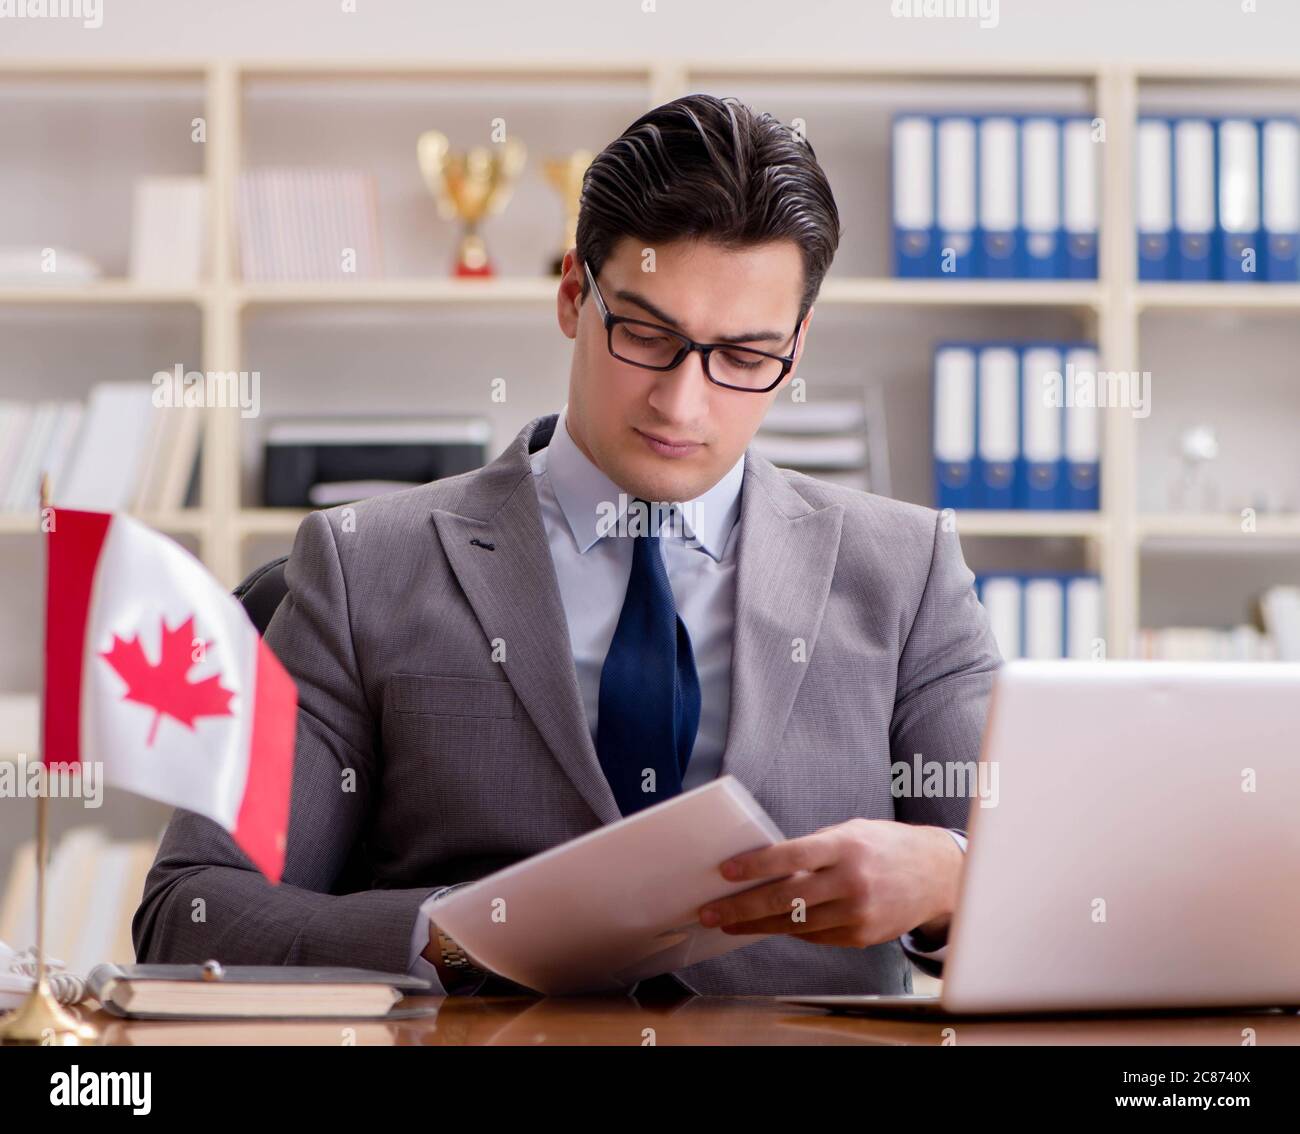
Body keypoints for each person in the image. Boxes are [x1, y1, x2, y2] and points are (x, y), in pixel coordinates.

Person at [134, 93, 1001, 998]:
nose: (682, 404)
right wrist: (448, 937)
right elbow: (191, 909)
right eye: (646, 333)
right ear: (571, 295)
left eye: (744, 357)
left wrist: (947, 880)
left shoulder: (906, 571)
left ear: (797, 342)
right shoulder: (364, 566)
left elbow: (1069, 894)